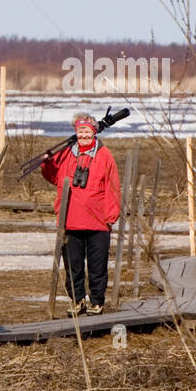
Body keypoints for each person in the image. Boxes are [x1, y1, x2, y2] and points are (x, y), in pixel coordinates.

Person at [41, 112, 121, 316]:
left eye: (87, 132)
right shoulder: (66, 153)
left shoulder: (105, 155)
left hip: (98, 222)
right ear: (76, 133)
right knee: (73, 266)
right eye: (80, 132)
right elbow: (53, 176)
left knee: (97, 266)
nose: (83, 135)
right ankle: (77, 301)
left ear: (94, 132)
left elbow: (113, 187)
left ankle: (96, 301)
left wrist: (111, 216)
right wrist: (47, 162)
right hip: (70, 220)